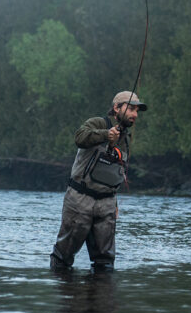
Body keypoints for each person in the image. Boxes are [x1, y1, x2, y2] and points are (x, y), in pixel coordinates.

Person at [50, 90, 147, 273]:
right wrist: (106, 135)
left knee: (105, 262)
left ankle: (101, 299)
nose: (135, 114)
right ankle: (65, 296)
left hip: (107, 204)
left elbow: (116, 172)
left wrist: (115, 202)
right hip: (80, 199)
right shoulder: (98, 122)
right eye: (131, 109)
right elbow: (80, 137)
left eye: (137, 111)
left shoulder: (127, 137)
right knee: (63, 257)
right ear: (116, 108)